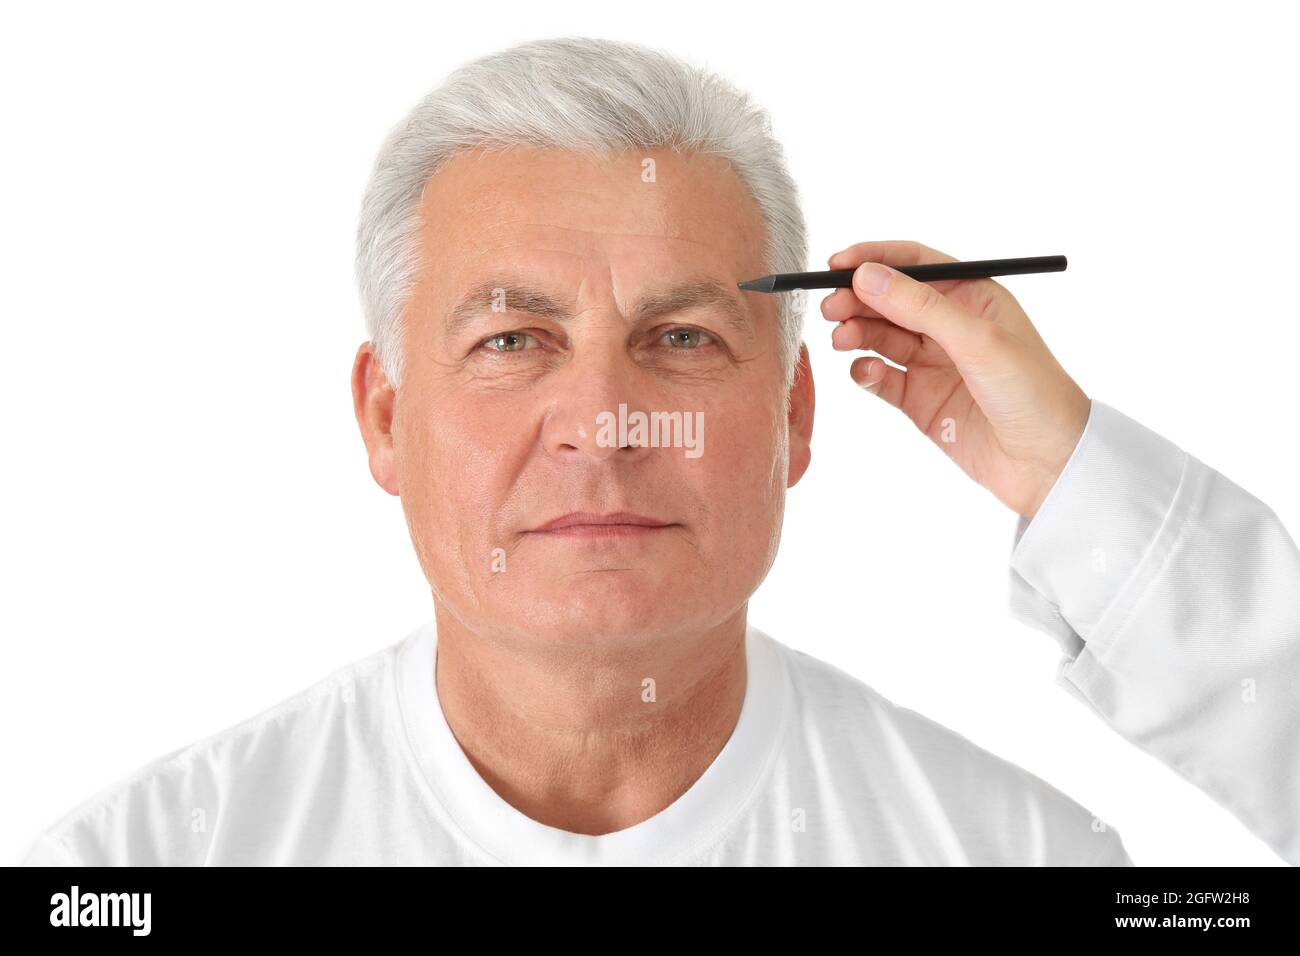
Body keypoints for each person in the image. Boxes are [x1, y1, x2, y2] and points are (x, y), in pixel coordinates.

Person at [20, 36, 1299, 866]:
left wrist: (1076, 480)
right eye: (514, 339)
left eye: (681, 337)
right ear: (383, 416)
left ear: (796, 415)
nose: (606, 423)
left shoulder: (1017, 854)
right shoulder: (133, 869)